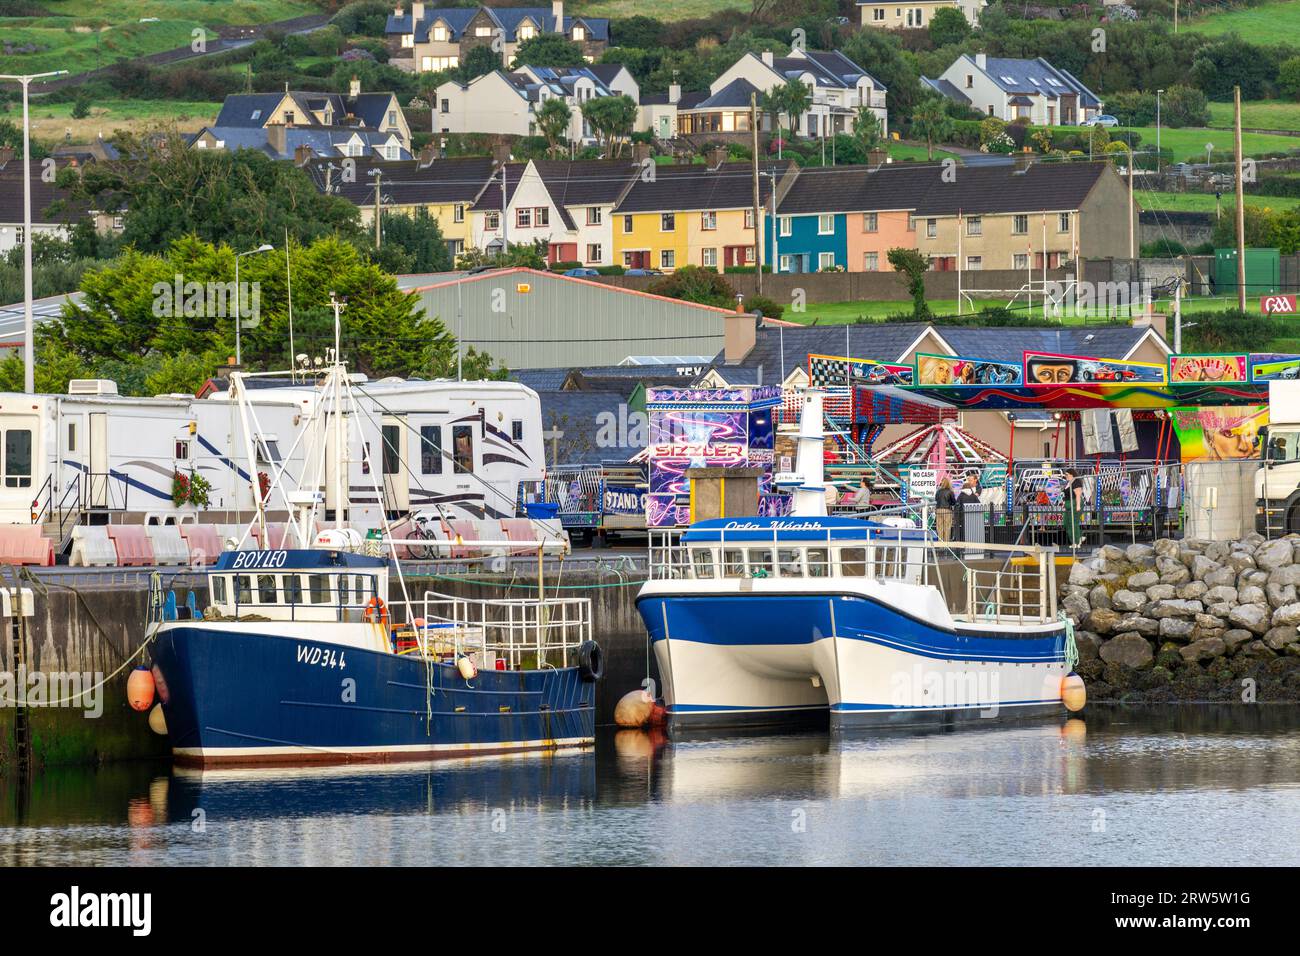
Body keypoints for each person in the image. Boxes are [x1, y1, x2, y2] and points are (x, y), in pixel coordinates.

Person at [955, 472, 982, 542]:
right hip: (973, 515)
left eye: (970, 480)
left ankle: (965, 542)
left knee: (964, 530)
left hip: (963, 515)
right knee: (972, 529)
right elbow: (978, 504)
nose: (969, 482)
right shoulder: (973, 495)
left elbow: (957, 504)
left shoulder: (961, 495)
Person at [1064, 467, 1084, 547]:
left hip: (1075, 503)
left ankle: (1076, 542)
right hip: (1068, 504)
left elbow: (1078, 494)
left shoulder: (1076, 482)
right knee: (1066, 523)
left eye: (1067, 474)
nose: (1065, 476)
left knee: (1073, 523)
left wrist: (1078, 506)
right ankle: (1078, 538)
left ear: (1072, 474)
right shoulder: (1068, 483)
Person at [934, 475, 956, 541]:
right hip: (947, 510)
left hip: (938, 510)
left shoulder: (938, 492)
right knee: (947, 527)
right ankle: (946, 543)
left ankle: (940, 542)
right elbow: (953, 502)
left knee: (939, 527)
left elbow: (936, 500)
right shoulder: (950, 491)